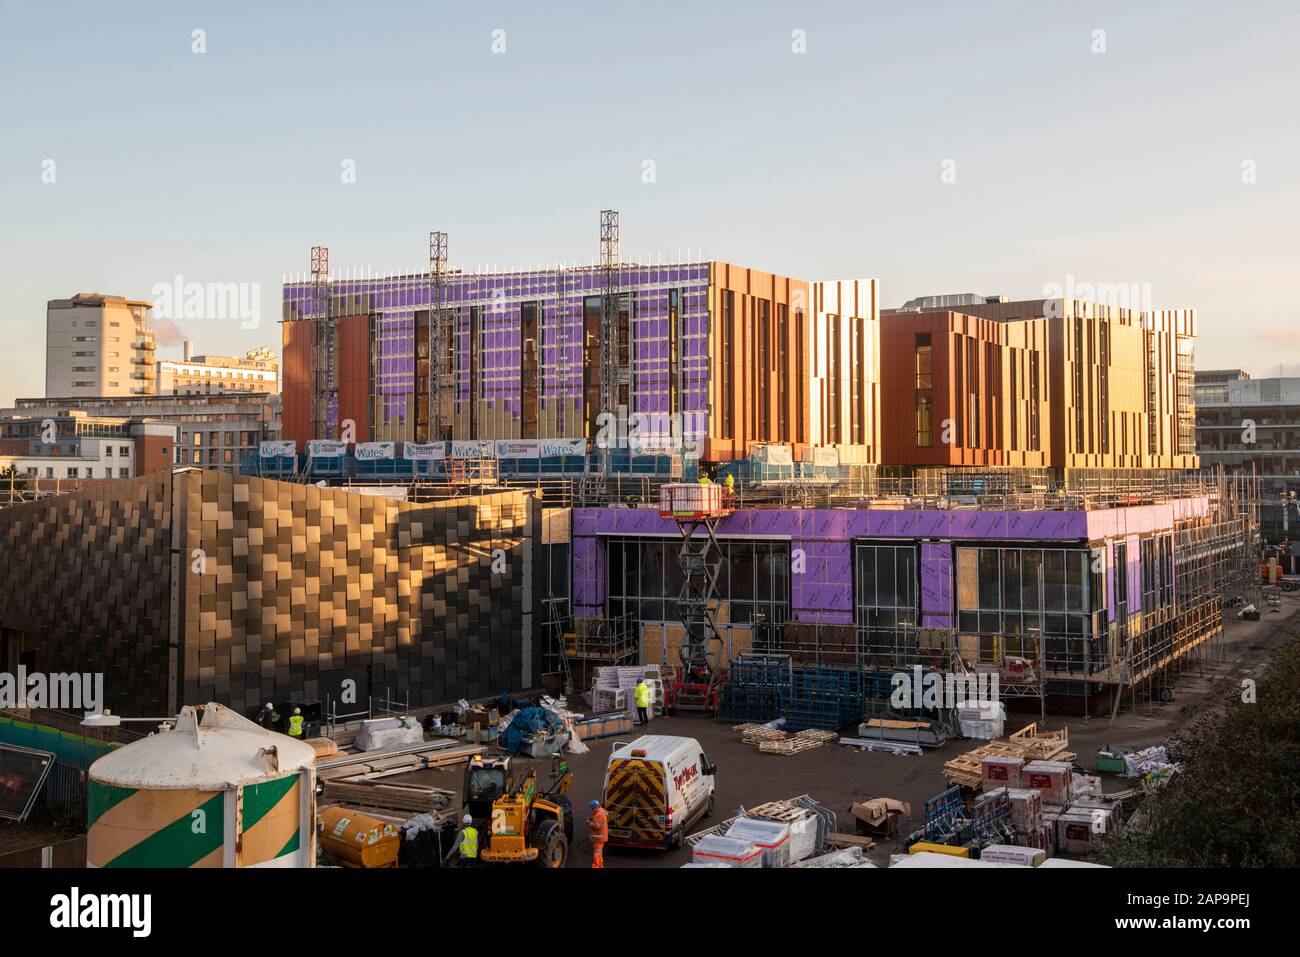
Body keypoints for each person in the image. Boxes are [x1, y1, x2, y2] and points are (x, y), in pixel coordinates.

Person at [587, 800, 608, 868]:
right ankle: (600, 864)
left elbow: (597, 826)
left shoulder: (599, 814)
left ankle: (596, 866)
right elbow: (598, 819)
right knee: (599, 852)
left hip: (598, 837)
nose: (592, 810)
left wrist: (589, 822)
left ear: (596, 807)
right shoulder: (602, 811)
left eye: (592, 809)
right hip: (601, 837)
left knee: (596, 852)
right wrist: (591, 818)